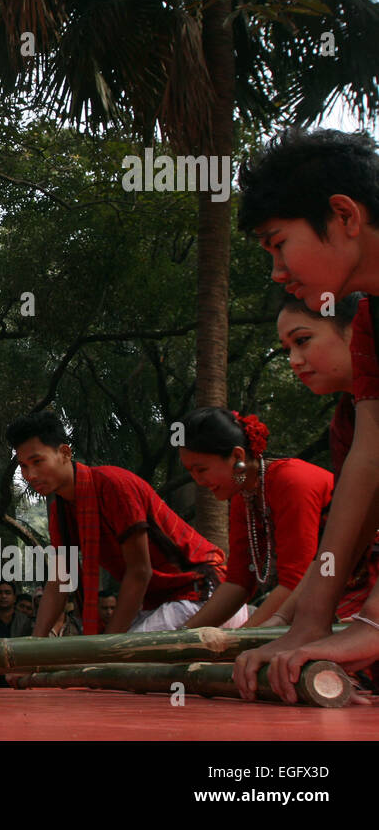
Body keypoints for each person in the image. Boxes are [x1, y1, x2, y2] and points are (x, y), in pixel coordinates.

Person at [234, 130, 379, 700]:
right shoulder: (369, 322)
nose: (276, 271)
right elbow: (369, 461)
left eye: (278, 244)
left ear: (342, 215)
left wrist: (371, 622)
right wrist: (309, 621)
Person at [6, 412, 227, 634]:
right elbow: (59, 583)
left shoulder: (113, 484)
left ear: (65, 453)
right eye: (23, 466)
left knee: (111, 664)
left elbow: (140, 571)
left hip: (203, 592)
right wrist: (34, 648)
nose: (30, 474)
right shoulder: (60, 512)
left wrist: (108, 646)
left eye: (37, 461)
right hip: (158, 603)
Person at [177, 408, 331, 629]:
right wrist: (184, 635)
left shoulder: (292, 482)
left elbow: (296, 581)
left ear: (238, 456)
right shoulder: (244, 497)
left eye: (201, 469)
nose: (198, 481)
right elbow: (238, 583)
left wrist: (240, 642)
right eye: (191, 472)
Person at [276, 292, 379, 618]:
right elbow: (344, 541)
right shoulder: (344, 423)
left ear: (358, 327)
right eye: (287, 350)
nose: (293, 361)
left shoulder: (288, 477)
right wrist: (284, 618)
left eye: (302, 340)